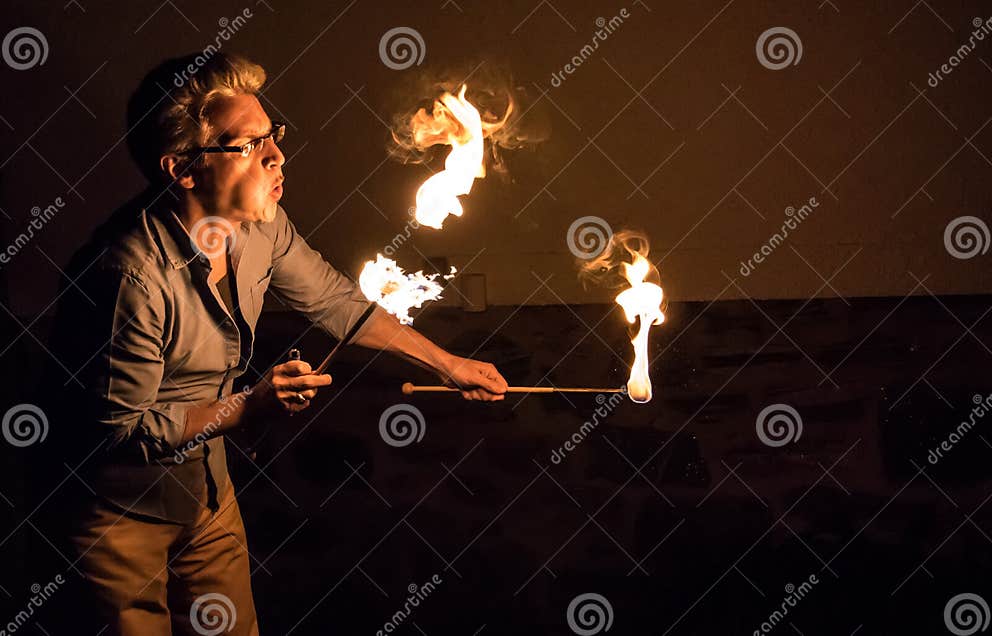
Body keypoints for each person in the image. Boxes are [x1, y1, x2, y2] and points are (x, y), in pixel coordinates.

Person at [48, 52, 507, 636]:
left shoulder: (262, 224)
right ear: (183, 169)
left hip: (206, 495)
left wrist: (447, 364)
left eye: (273, 135)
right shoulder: (129, 277)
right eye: (248, 146)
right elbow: (119, 432)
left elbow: (337, 302)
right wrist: (250, 406)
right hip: (115, 517)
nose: (276, 156)